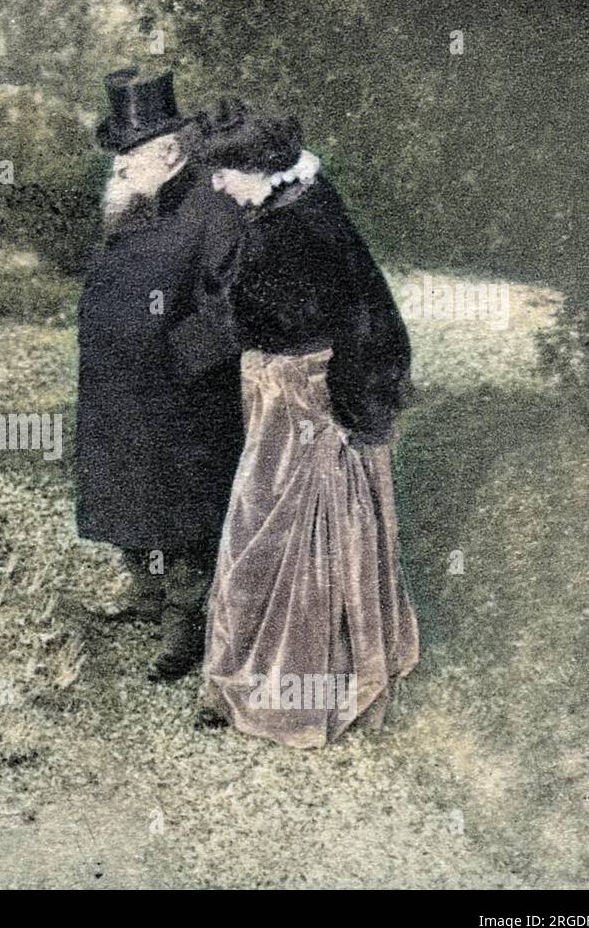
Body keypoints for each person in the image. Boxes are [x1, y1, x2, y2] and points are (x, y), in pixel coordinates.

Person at [192, 105, 420, 747]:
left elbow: (355, 318)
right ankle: (298, 675)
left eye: (225, 171)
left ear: (261, 168)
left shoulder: (294, 226)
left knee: (280, 537)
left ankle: (292, 690)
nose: (216, 184)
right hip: (285, 392)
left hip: (303, 404)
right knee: (281, 534)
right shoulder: (301, 200)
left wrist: (335, 408)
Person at [75, 69, 248, 680]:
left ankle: (186, 628)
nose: (118, 168)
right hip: (115, 388)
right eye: (117, 155)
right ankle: (144, 596)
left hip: (183, 396)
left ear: (170, 152)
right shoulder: (131, 200)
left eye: (129, 156)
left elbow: (233, 303)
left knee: (180, 509)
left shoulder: (214, 205)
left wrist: (178, 359)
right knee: (124, 493)